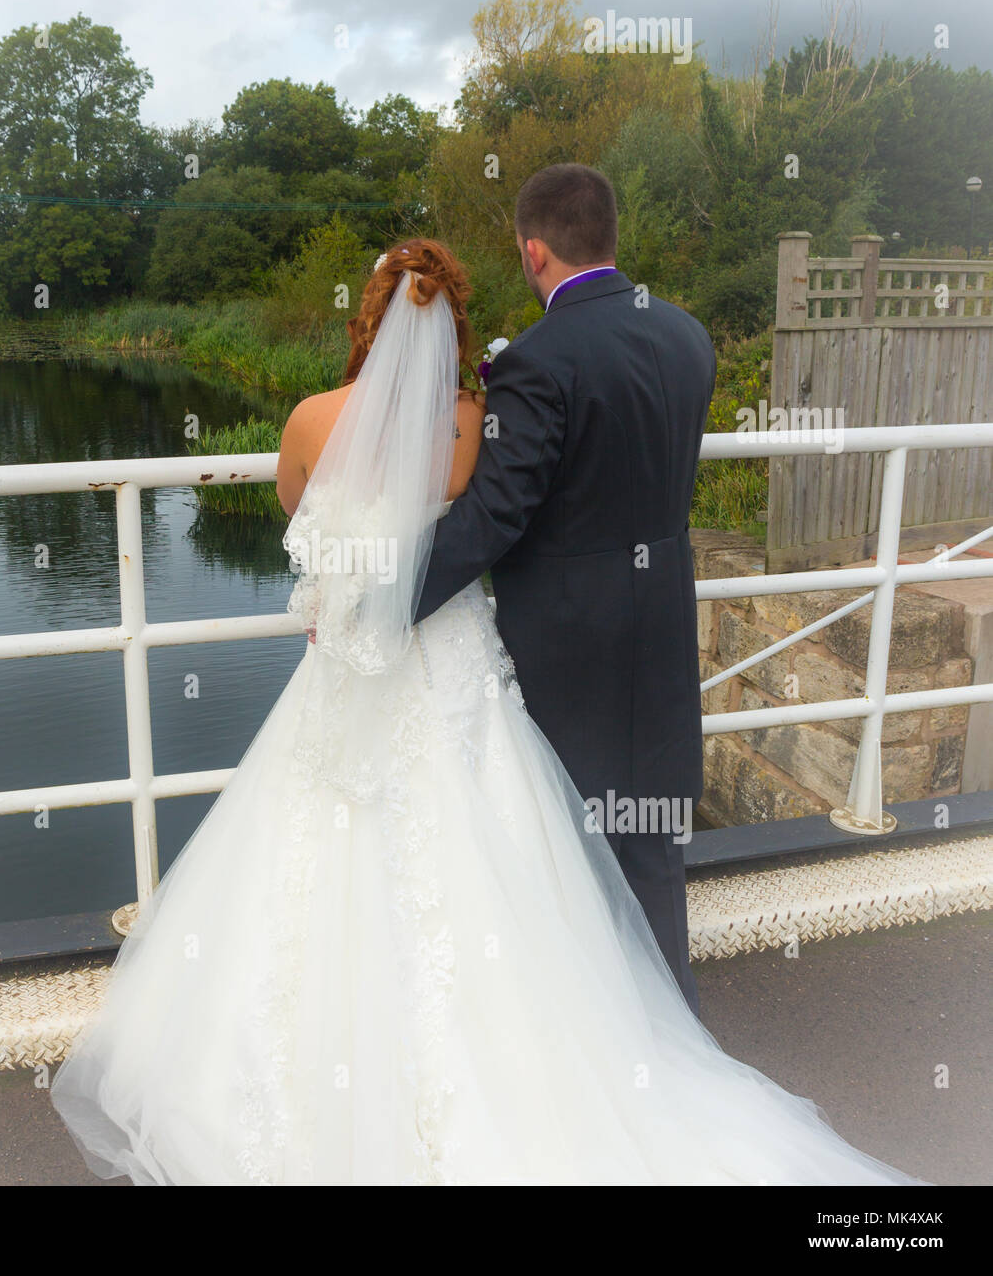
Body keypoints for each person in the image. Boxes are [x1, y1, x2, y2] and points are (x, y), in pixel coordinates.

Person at [50, 232, 920, 1186]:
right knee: (495, 861)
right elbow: (501, 518)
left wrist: (359, 605)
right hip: (454, 668)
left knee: (309, 864)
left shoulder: (306, 421)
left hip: (342, 679)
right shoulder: (473, 421)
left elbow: (302, 519)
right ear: (457, 323)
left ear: (365, 318)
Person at [415, 163, 712, 1013]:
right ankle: (672, 1026)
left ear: (533, 250)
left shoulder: (536, 362)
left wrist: (385, 602)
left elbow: (493, 519)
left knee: (563, 842)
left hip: (568, 647)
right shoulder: (689, 337)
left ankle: (585, 1037)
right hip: (660, 632)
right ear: (609, 238)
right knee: (652, 842)